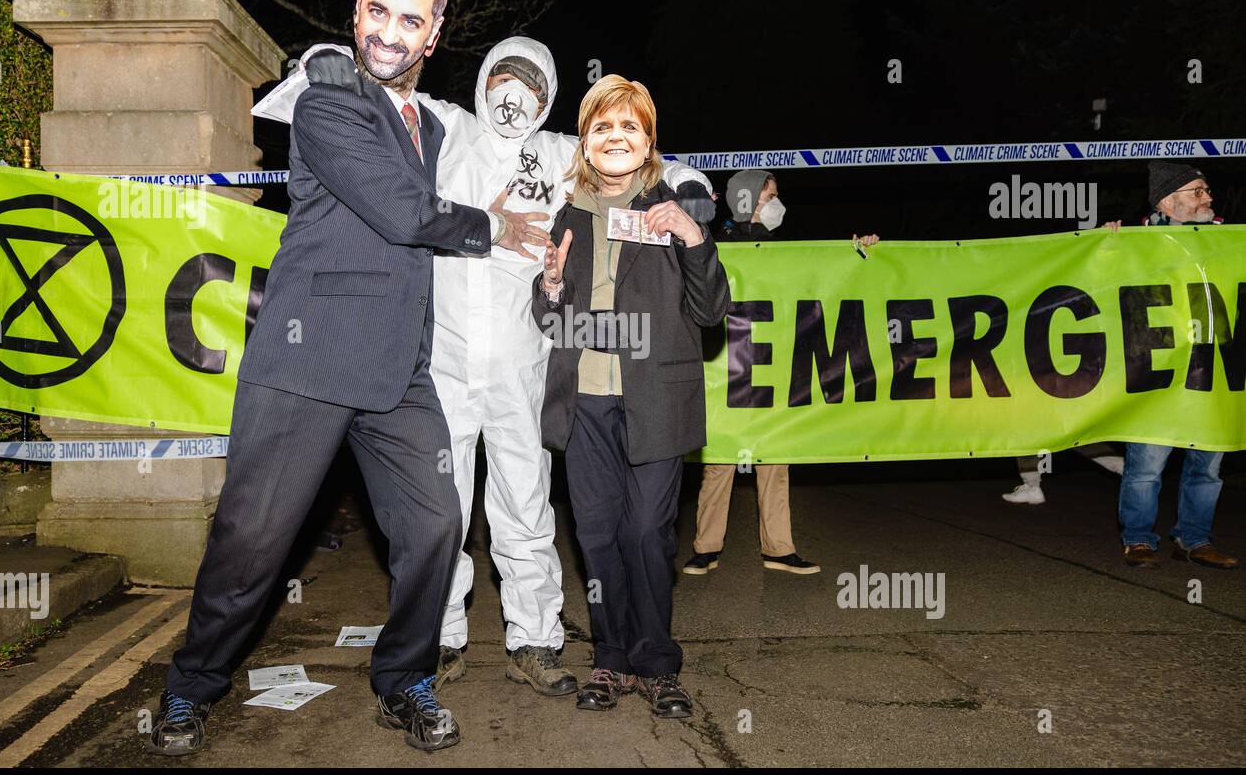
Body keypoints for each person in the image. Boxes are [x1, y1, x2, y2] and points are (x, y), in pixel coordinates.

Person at [150, 0, 547, 757]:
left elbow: (538, 152)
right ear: (355, 12)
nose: (390, 33)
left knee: (439, 523)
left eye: (411, 19)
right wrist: (493, 226)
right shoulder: (327, 106)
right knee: (254, 539)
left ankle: (405, 680)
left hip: (400, 370)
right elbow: (406, 213)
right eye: (376, 12)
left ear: (435, 33)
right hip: (309, 359)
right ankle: (190, 688)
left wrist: (671, 202)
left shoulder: (436, 123)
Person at [294, 37, 714, 697]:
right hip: (445, 368)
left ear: (548, 99)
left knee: (525, 506)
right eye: (505, 77)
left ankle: (535, 638)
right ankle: (440, 638)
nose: (515, 94)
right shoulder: (444, 129)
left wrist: (691, 194)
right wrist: (327, 68)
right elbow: (379, 100)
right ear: (484, 79)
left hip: (527, 369)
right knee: (440, 511)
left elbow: (650, 162)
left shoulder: (557, 155)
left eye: (533, 85)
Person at [533, 74, 730, 718]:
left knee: (647, 532)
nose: (615, 137)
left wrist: (696, 239)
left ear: (648, 142)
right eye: (602, 126)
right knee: (596, 534)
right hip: (584, 403)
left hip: (655, 402)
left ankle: (657, 663)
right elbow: (550, 321)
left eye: (629, 127)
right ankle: (609, 659)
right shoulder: (568, 215)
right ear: (586, 143)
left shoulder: (674, 209)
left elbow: (710, 313)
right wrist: (552, 291)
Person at [687, 170, 878, 576]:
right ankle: (706, 548)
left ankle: (779, 549)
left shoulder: (784, 249)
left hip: (774, 370)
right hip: (729, 369)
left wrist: (858, 252)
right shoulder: (713, 246)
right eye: (769, 195)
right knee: (719, 459)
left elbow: (823, 275)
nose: (777, 203)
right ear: (746, 200)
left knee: (776, 458)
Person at [1116, 161, 1236, 569]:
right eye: (1197, 191)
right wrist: (1100, 243)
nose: (1208, 198)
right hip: (1157, 368)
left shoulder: (1226, 239)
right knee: (1147, 463)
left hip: (1212, 367)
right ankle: (1137, 539)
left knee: (1208, 463)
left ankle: (1195, 539)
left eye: (1206, 190)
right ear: (1167, 201)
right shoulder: (1132, 242)